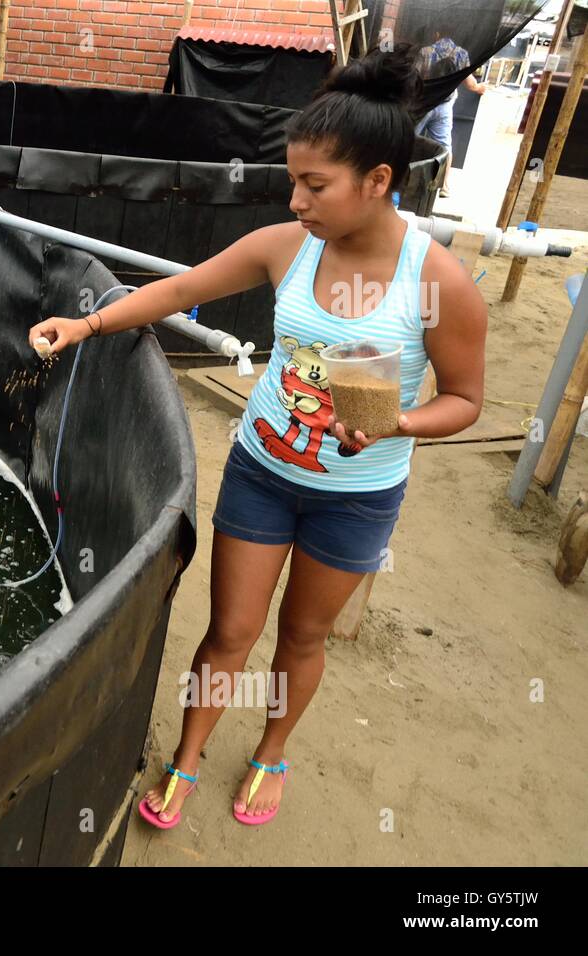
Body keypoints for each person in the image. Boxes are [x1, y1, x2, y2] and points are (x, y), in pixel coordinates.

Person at [27, 47, 487, 827]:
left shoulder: (439, 284)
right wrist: (88, 322)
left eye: (315, 185)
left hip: (357, 496)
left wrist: (398, 423)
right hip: (264, 473)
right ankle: (190, 754)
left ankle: (273, 748)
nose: (297, 200)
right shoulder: (286, 247)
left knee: (303, 638)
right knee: (230, 632)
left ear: (378, 181)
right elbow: (182, 288)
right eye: (292, 182)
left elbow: (466, 400)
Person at [415, 31, 486, 196]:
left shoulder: (425, 52)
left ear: (437, 34)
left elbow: (415, 77)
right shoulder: (461, 54)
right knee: (445, 146)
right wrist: (479, 88)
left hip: (424, 102)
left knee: (408, 137)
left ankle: (400, 175)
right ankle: (444, 186)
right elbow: (470, 83)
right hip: (445, 106)